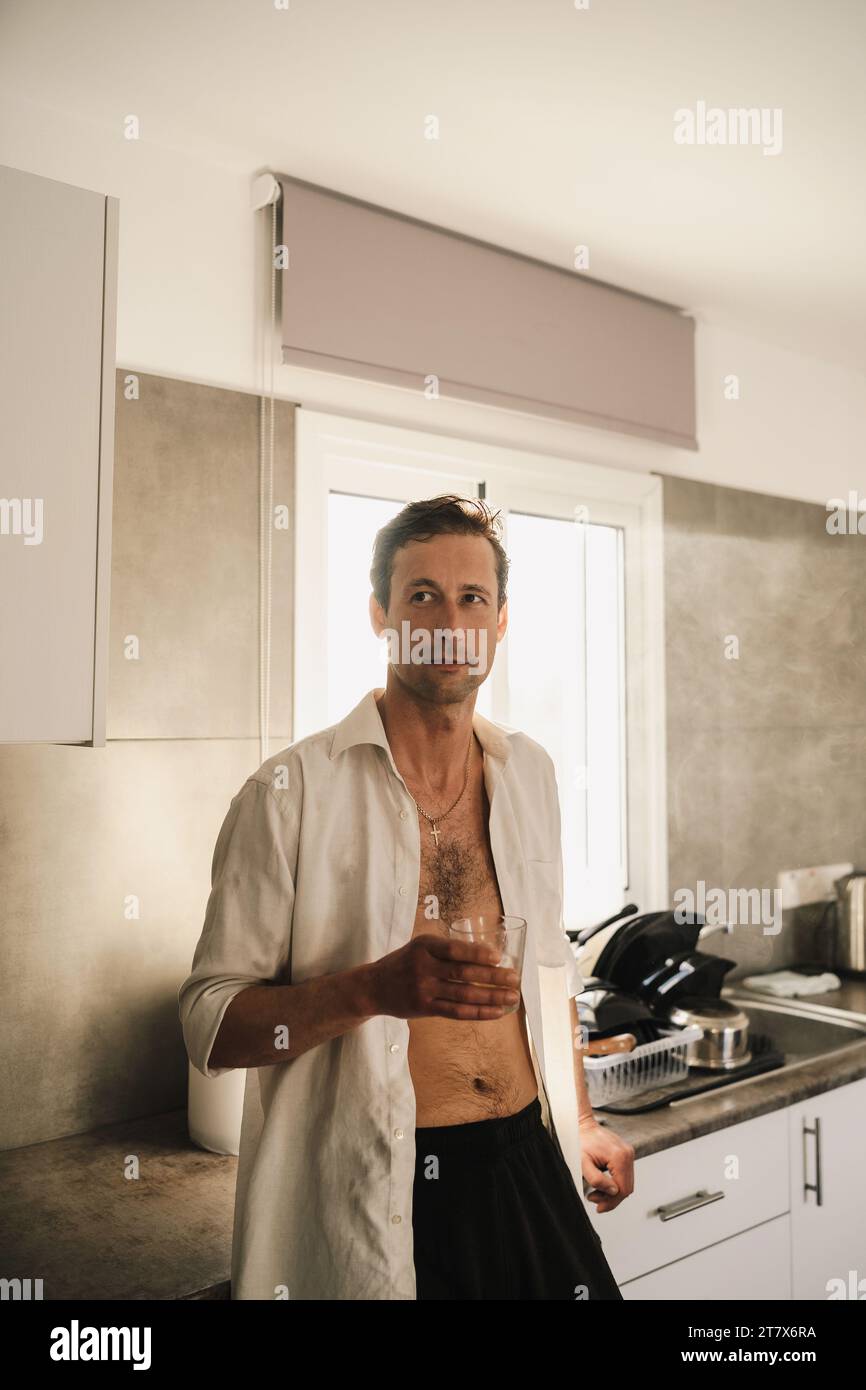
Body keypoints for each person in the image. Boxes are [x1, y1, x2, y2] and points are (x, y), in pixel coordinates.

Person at [179, 494, 633, 1299]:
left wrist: (585, 1120)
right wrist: (374, 989)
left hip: (527, 1163)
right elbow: (208, 1025)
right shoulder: (289, 794)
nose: (448, 620)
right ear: (380, 615)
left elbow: (550, 970)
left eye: (473, 598)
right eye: (422, 594)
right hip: (379, 1188)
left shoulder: (530, 774)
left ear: (499, 623)